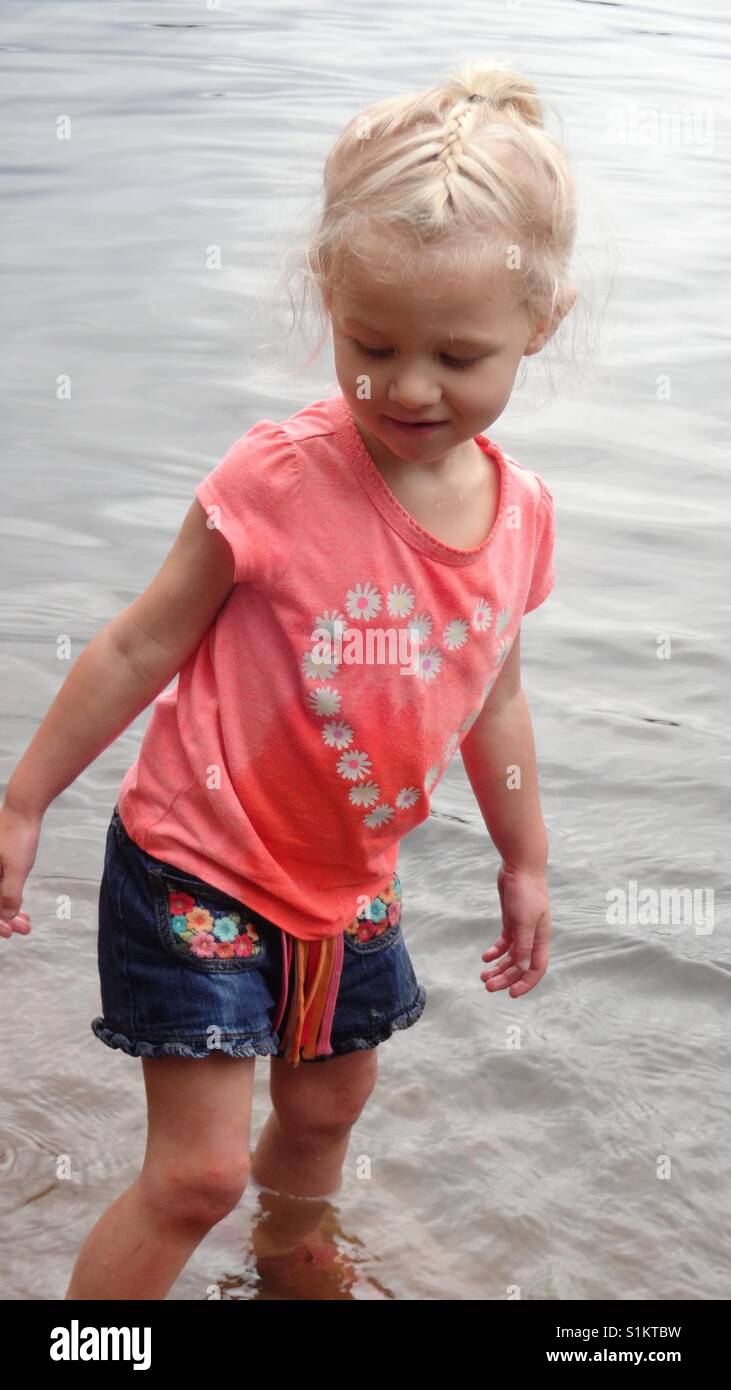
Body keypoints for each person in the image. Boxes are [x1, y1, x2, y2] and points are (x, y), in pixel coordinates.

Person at [0, 58, 578, 1299]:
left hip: (345, 885)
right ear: (326, 297)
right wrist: (23, 799)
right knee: (195, 1173)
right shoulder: (278, 475)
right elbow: (141, 643)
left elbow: (494, 697)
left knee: (325, 1115)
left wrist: (523, 856)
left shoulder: (522, 515)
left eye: (457, 354)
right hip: (195, 865)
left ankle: (289, 1267)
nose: (410, 387)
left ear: (543, 324)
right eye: (372, 346)